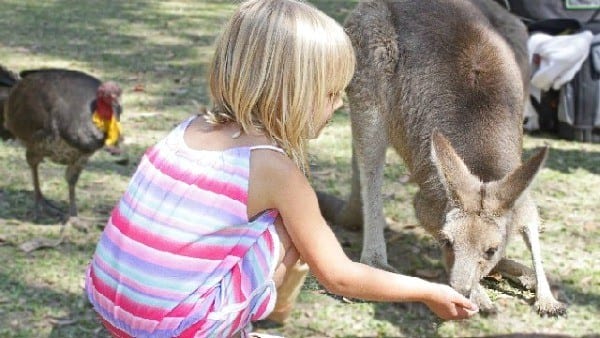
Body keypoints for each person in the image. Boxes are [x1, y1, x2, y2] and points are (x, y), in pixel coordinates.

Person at [84, 0, 479, 337]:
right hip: (173, 328)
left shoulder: (187, 128)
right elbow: (338, 276)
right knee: (289, 231)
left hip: (109, 303)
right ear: (292, 93)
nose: (338, 105)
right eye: (330, 93)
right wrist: (428, 291)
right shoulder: (275, 171)